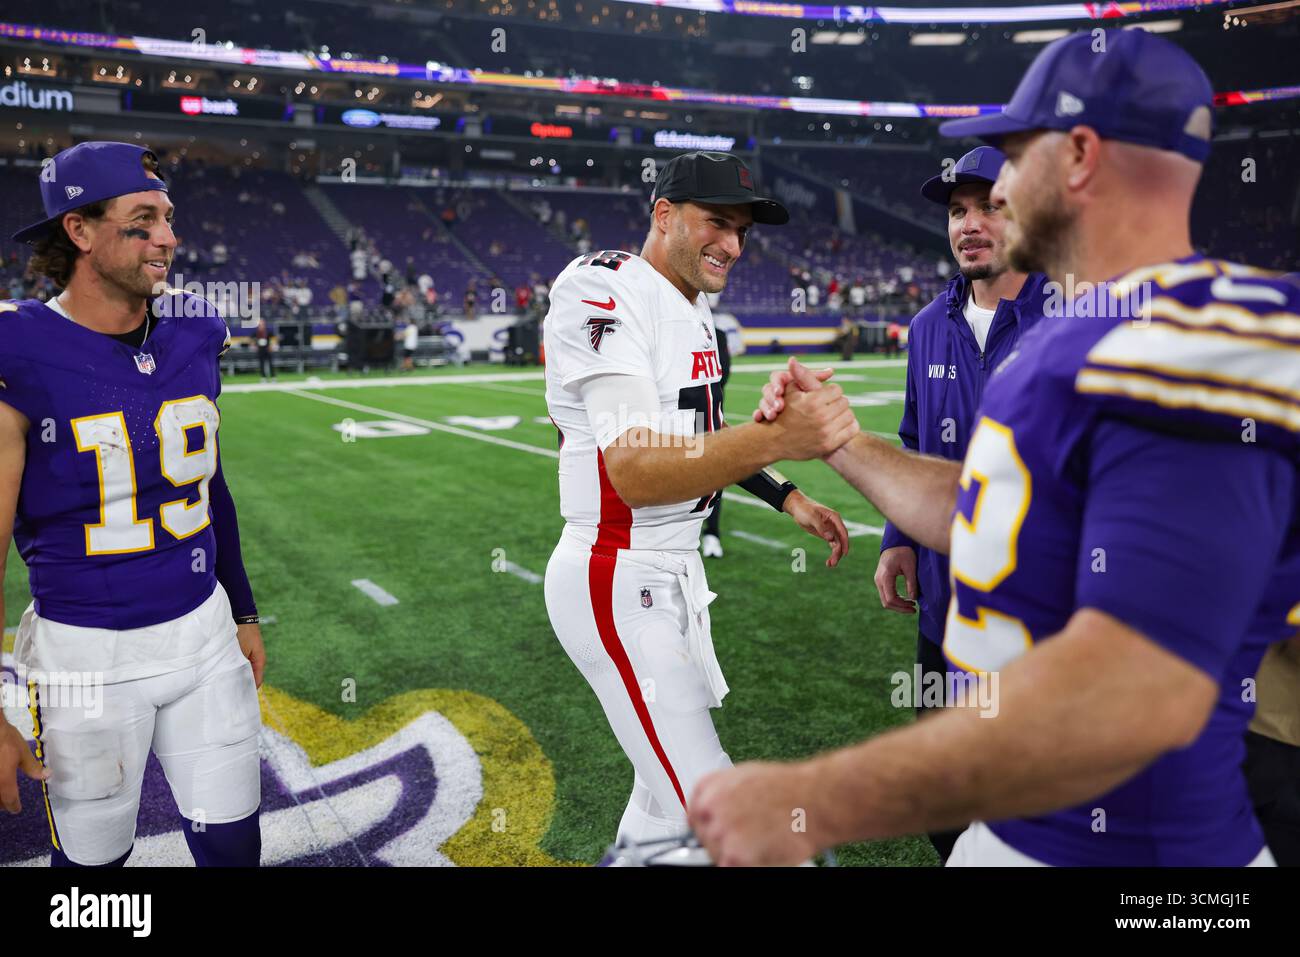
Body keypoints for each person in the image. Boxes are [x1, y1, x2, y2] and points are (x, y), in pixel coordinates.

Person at [692, 30, 1300, 867]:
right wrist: (841, 440)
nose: (1000, 187)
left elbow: (1132, 689)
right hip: (1017, 823)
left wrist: (811, 799)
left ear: (1079, 155)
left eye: (1015, 156)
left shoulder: (1191, 346)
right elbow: (995, 507)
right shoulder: (1082, 330)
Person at [542, 151, 857, 847]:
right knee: (720, 813)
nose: (734, 245)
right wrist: (777, 440)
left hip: (670, 574)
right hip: (616, 572)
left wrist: (788, 497)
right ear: (664, 214)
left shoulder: (695, 302)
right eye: (718, 221)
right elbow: (635, 469)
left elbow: (702, 436)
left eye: (743, 229)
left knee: (662, 811)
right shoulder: (604, 288)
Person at [0, 142, 265, 867]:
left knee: (236, 847)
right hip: (85, 656)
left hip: (205, 637)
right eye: (143, 219)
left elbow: (211, 484)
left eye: (169, 218)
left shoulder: (196, 332)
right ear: (79, 231)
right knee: (92, 869)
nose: (169, 238)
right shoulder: (18, 346)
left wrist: (241, 609)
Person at [873, 146, 1052, 862]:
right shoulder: (925, 327)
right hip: (944, 607)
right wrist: (897, 538)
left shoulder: (1071, 316)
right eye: (956, 211)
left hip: (1038, 616)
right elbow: (914, 441)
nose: (969, 224)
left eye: (990, 206)